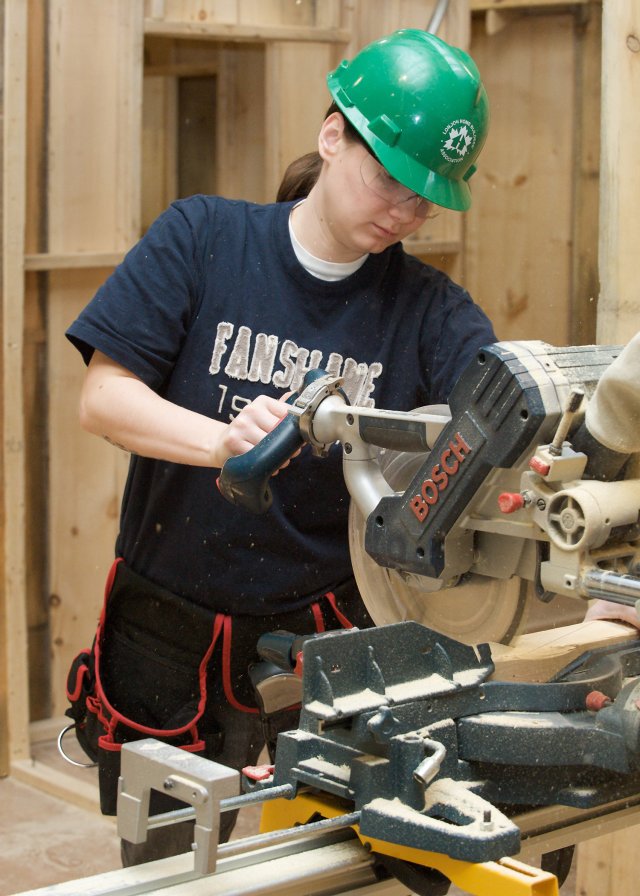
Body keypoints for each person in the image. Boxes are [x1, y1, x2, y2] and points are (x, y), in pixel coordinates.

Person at [65, 29, 497, 866]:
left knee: (312, 874)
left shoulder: (430, 312)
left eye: (424, 199)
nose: (403, 213)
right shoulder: (203, 240)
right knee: (161, 875)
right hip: (164, 634)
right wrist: (220, 439)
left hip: (322, 644)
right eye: (389, 180)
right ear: (334, 136)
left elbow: (505, 423)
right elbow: (103, 398)